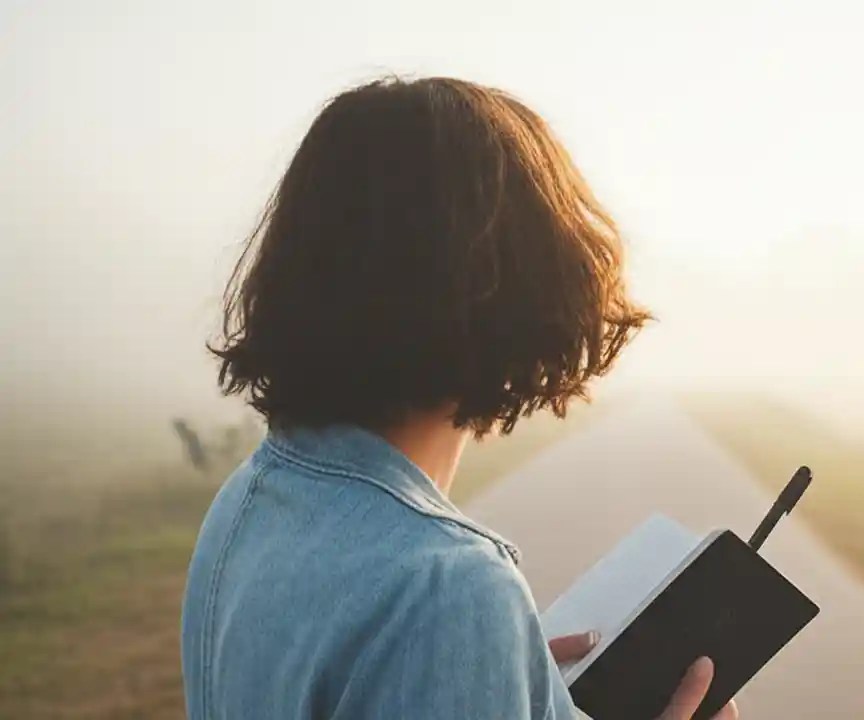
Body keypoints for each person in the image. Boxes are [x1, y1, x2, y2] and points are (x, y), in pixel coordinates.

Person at [181, 76, 739, 719]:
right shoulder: (446, 588)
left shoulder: (250, 500)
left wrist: (505, 678)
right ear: (520, 298)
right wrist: (469, 646)